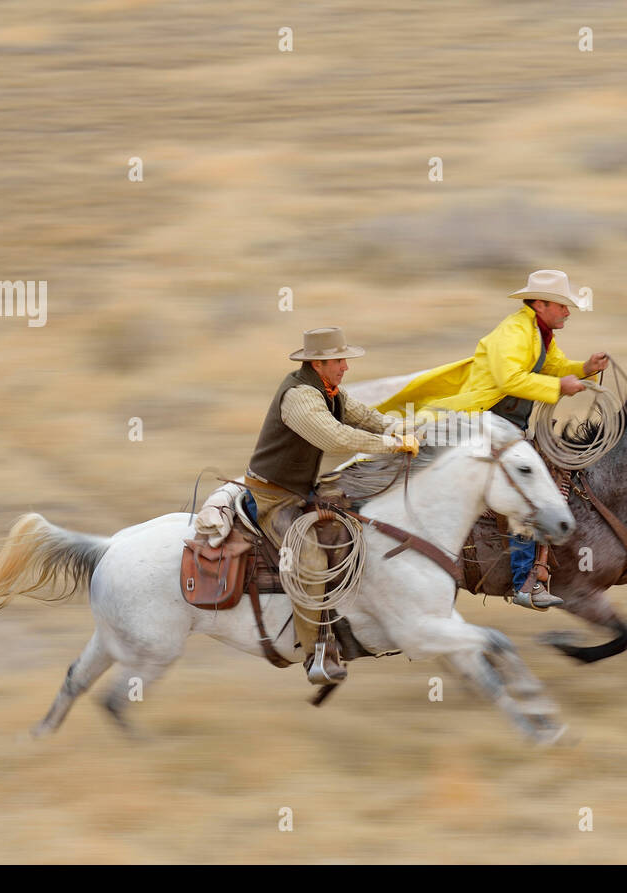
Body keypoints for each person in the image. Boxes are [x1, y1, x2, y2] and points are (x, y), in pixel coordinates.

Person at [375, 270, 608, 610]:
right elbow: (510, 379)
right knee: (526, 488)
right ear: (540, 304)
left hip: (504, 424)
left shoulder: (539, 333)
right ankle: (524, 582)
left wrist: (584, 367)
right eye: (562, 305)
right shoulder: (514, 332)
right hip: (481, 421)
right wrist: (559, 388)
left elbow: (554, 365)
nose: (568, 312)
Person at [247, 326, 418, 684]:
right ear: (319, 363)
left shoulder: (330, 391)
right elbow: (336, 437)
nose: (346, 367)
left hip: (301, 489)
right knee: (309, 556)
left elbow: (367, 417)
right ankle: (316, 656)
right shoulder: (300, 397)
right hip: (273, 496)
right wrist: (392, 446)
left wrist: (404, 430)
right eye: (340, 360)